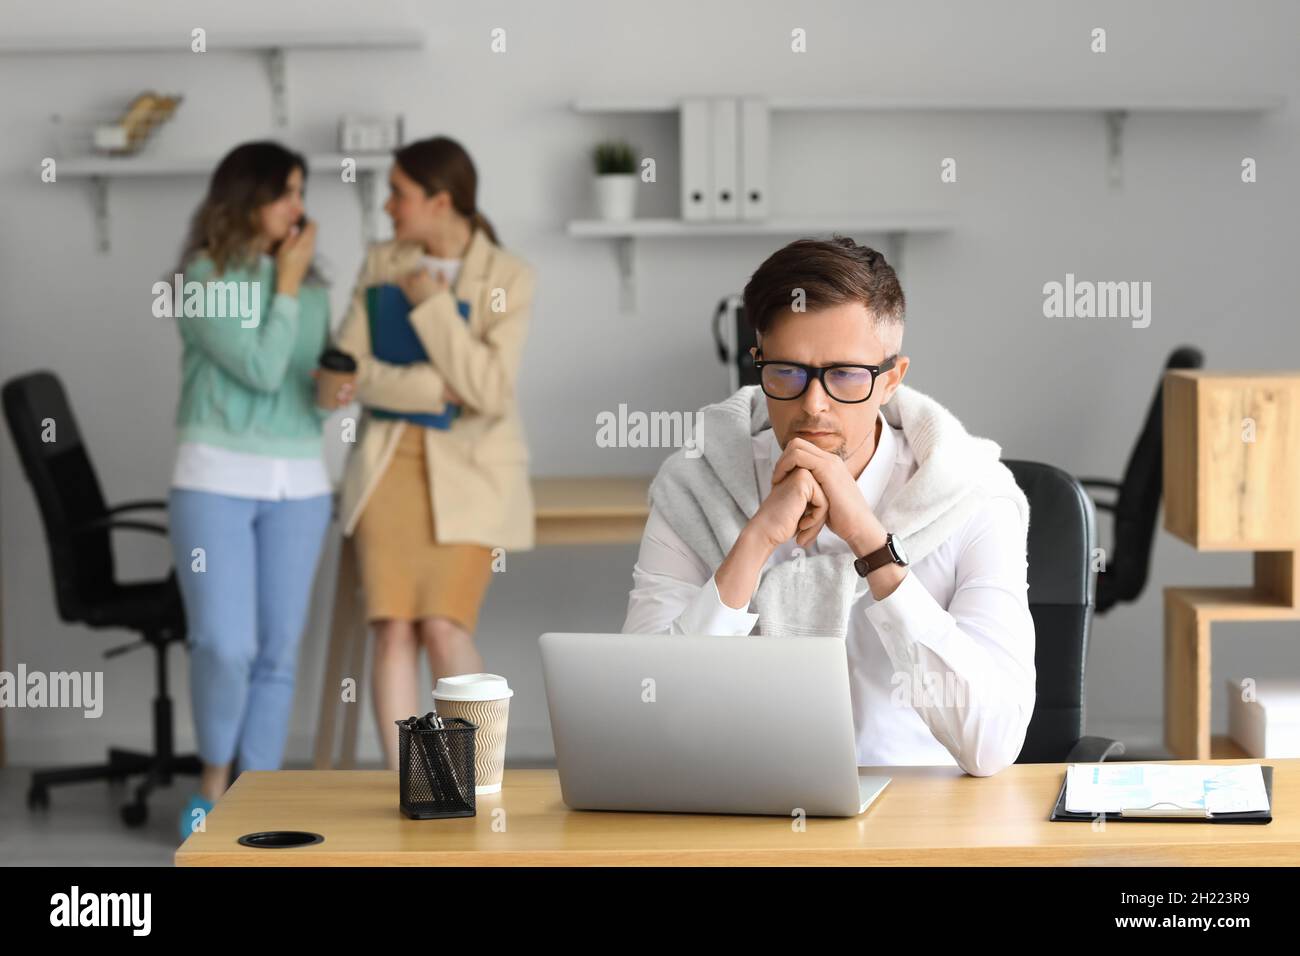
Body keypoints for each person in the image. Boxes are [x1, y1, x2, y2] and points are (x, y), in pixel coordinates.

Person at [623, 236, 1035, 776]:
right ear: (758, 364)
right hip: (738, 811)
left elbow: (992, 745)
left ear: (890, 379)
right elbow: (636, 718)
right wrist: (755, 542)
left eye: (845, 375)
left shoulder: (974, 496)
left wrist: (871, 542)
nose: (812, 404)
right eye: (787, 373)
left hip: (918, 820)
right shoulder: (695, 486)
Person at [332, 136, 536, 770]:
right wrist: (432, 387)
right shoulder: (380, 261)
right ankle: (407, 786)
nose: (388, 206)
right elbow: (345, 369)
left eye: (398, 193)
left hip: (472, 477)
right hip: (387, 468)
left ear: (440, 201)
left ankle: (467, 780)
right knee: (391, 628)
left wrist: (433, 307)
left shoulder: (508, 276)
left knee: (443, 627)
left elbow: (490, 391)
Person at [168, 141, 352, 838]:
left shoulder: (310, 289)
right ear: (246, 199)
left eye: (302, 194)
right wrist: (285, 284)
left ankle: (260, 795)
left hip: (300, 483)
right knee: (223, 642)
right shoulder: (204, 278)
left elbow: (299, 386)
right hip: (213, 480)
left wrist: (334, 391)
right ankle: (213, 779)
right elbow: (260, 368)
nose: (299, 209)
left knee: (278, 650)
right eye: (286, 194)